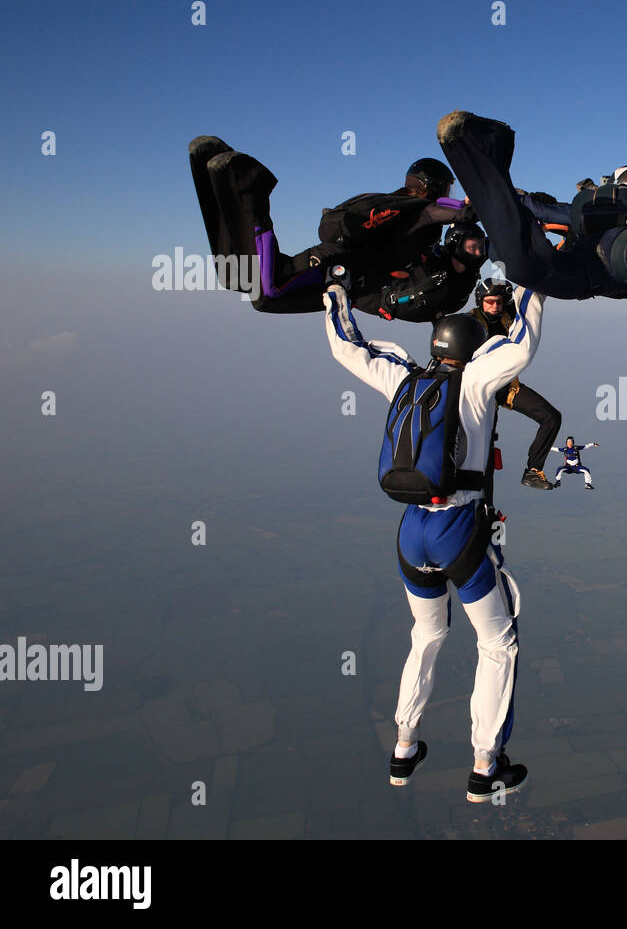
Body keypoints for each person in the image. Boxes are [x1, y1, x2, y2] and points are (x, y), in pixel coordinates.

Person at [323, 266, 542, 800]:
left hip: (410, 532)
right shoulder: (476, 379)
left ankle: (404, 746)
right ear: (472, 348)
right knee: (498, 643)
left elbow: (349, 349)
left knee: (427, 635)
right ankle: (485, 764)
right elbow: (522, 345)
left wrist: (335, 293)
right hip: (457, 528)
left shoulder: (406, 378)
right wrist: (537, 278)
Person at [435, 52, 627, 300]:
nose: (611, 191)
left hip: (614, 264)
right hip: (593, 270)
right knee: (519, 266)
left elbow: (537, 207)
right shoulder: (596, 214)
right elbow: (538, 208)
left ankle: (473, 151)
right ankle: (476, 150)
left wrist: (504, 198)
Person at [188, 138, 482, 320]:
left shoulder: (394, 201)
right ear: (434, 185)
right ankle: (249, 186)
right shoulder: (421, 210)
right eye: (447, 186)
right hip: (338, 264)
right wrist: (484, 204)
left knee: (239, 278)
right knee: (267, 291)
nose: (450, 192)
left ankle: (218, 179)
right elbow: (457, 210)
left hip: (345, 280)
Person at [469, 278, 563, 490]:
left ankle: (533, 471)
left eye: (499, 302)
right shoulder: (468, 323)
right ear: (480, 301)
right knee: (481, 443)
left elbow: (531, 292)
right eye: (490, 301)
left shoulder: (506, 315)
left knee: (551, 417)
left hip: (505, 387)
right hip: (476, 389)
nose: (495, 306)